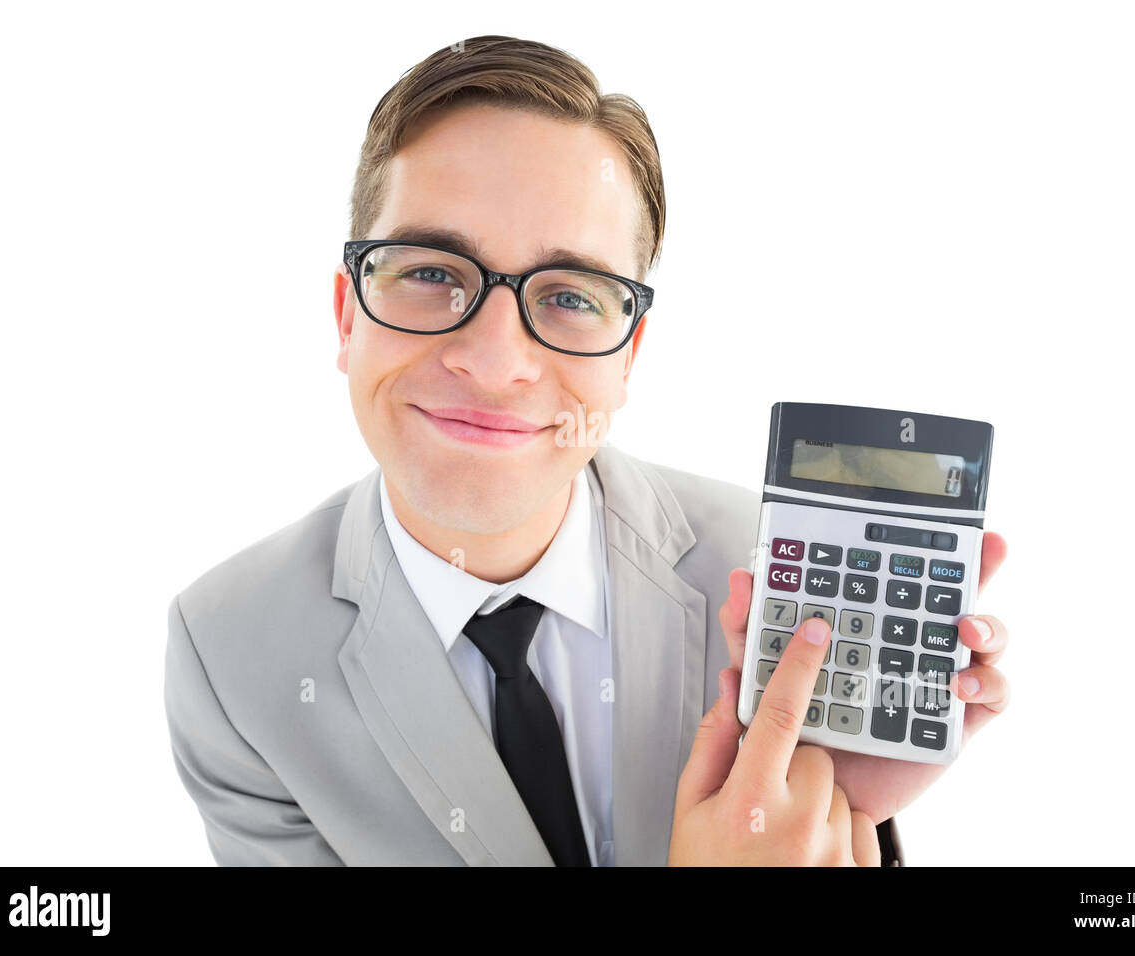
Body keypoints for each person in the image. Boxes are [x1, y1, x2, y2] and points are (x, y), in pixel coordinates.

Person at [163, 34, 1011, 867]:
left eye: (570, 295)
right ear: (348, 315)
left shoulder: (776, 580)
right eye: (430, 273)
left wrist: (843, 802)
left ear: (630, 354)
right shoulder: (230, 655)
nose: (495, 365)